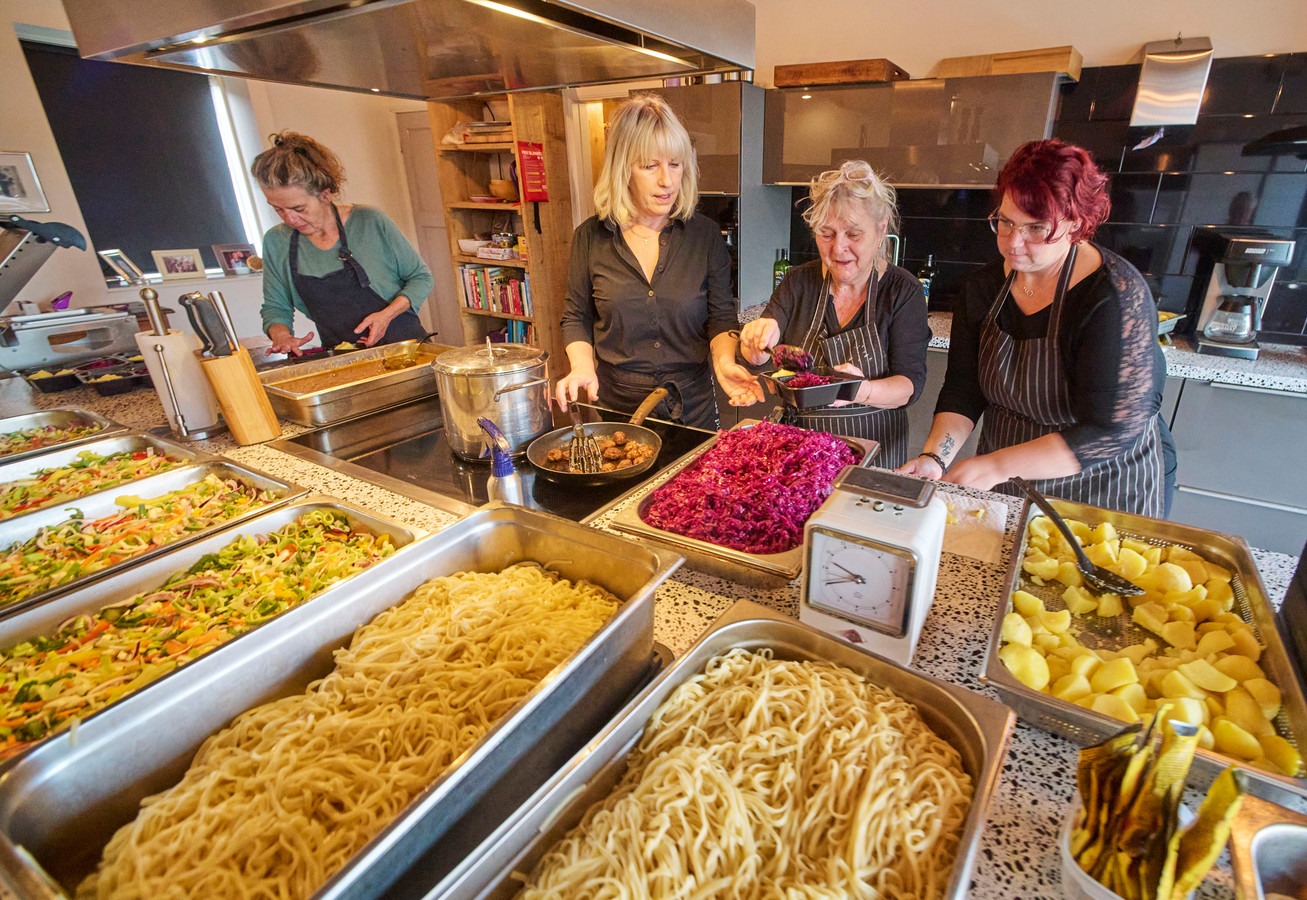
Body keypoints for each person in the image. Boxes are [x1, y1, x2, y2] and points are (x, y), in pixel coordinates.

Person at [901, 139, 1176, 517]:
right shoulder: (983, 288)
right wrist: (935, 457)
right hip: (1010, 477)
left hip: (1102, 486)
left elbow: (1110, 431)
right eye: (1006, 222)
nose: (1014, 242)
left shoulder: (1112, 298)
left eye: (1036, 228)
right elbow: (964, 389)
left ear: (1076, 223)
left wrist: (997, 466)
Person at [555, 95, 758, 429]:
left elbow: (721, 318)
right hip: (616, 409)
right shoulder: (590, 238)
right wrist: (582, 366)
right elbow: (575, 316)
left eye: (675, 164)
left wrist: (723, 363)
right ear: (624, 169)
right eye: (650, 166)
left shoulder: (705, 236)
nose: (667, 181)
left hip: (693, 408)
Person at [731, 161, 929, 468]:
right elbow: (758, 358)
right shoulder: (799, 281)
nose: (839, 248)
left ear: (881, 229)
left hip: (872, 454)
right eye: (827, 234)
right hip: (798, 453)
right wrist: (755, 342)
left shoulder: (903, 290)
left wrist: (858, 390)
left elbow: (908, 386)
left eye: (853, 234)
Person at [251, 132, 433, 356]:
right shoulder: (277, 241)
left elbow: (421, 277)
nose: (289, 219)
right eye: (278, 209)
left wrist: (386, 316)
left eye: (299, 209)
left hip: (408, 352)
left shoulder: (370, 221)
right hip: (341, 360)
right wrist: (282, 336)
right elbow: (276, 307)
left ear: (325, 195)